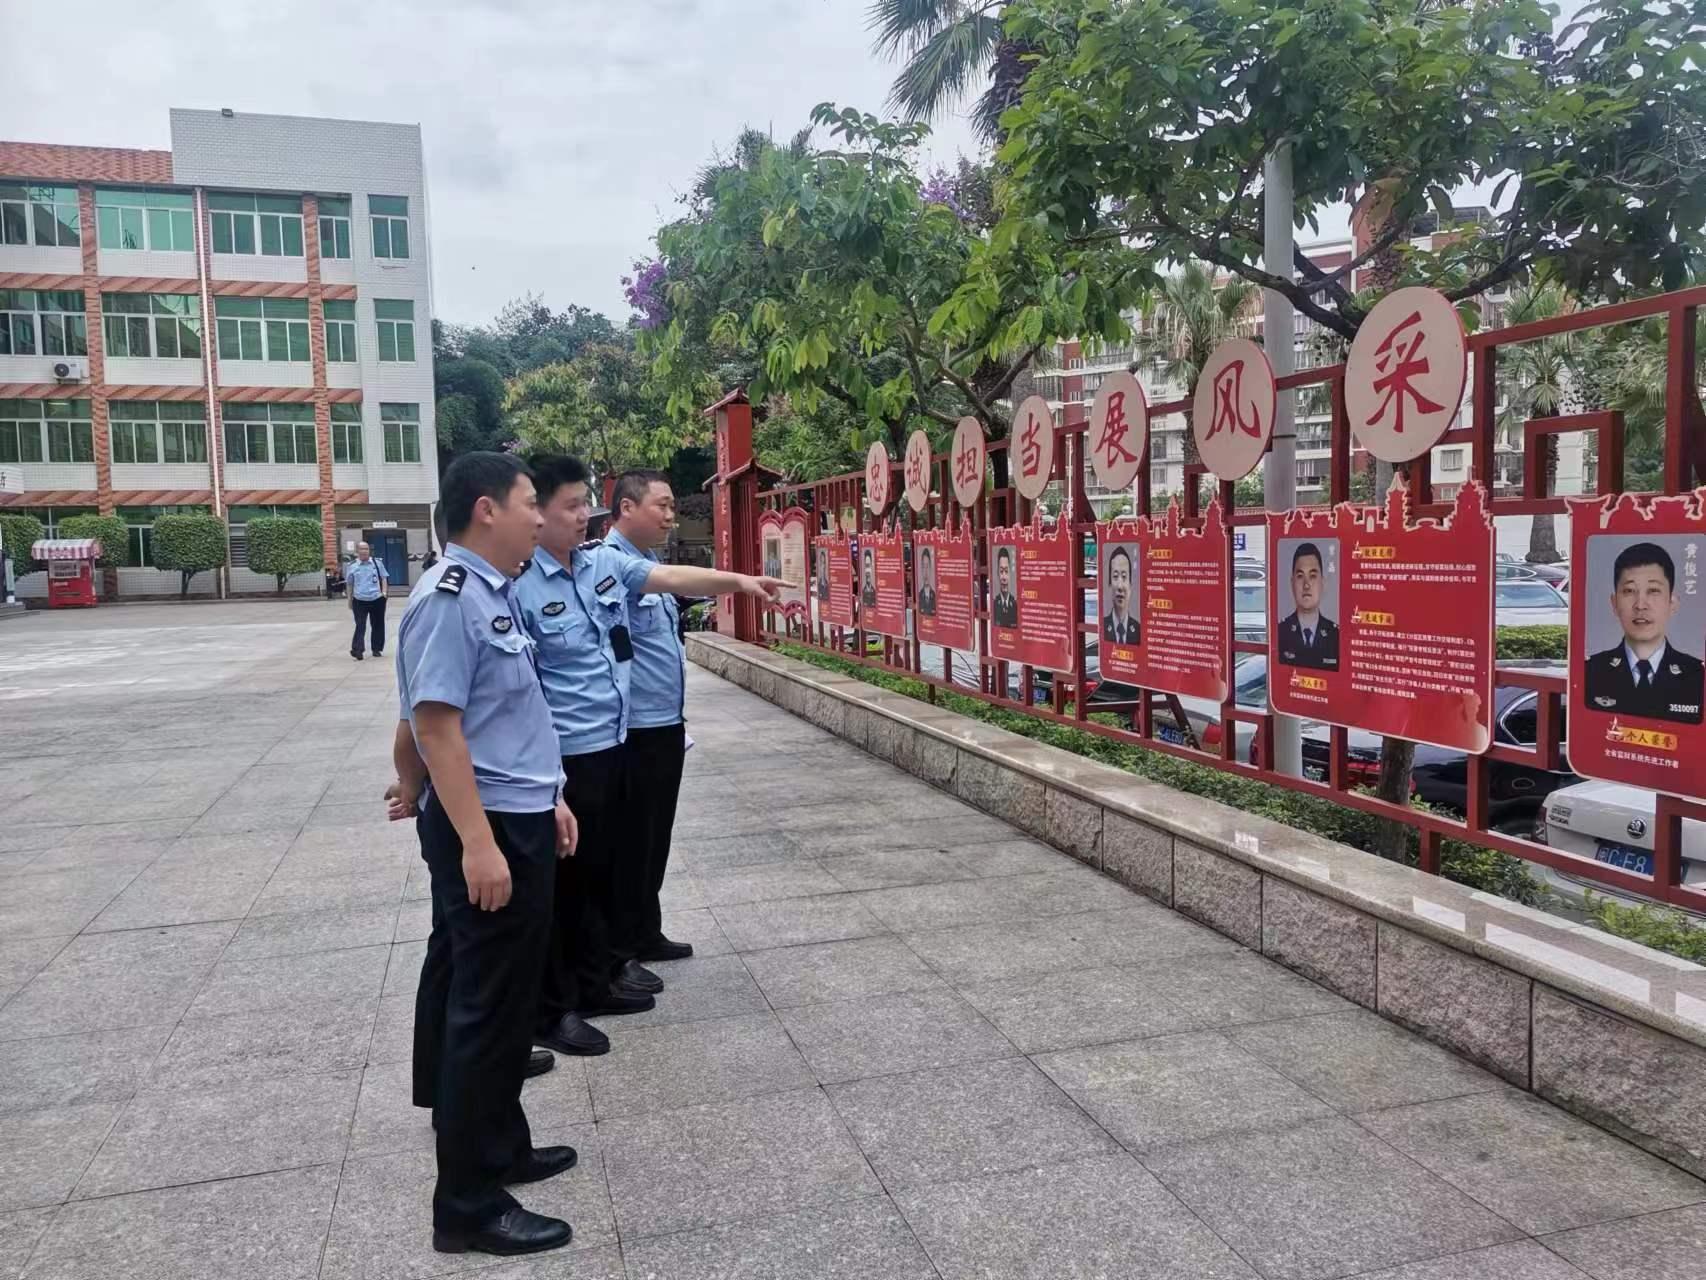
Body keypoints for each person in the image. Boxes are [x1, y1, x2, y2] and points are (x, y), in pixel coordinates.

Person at [516, 456, 787, 1059]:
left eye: (586, 503)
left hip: (613, 744)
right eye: (571, 506)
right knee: (571, 883)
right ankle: (562, 999)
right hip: (567, 756)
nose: (585, 515)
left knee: (604, 866)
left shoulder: (600, 564)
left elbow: (672, 579)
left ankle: (599, 975)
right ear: (533, 512)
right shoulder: (516, 582)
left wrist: (740, 583)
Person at [386, 452, 582, 1259]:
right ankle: (466, 1205)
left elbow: (501, 716)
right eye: (531, 502)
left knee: (506, 1007)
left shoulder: (492, 594)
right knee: (486, 1011)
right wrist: (477, 843)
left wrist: (553, 794)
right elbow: (434, 726)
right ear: (485, 509)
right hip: (489, 828)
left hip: (518, 811)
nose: (541, 517)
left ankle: (502, 1147)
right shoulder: (450, 599)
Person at [606, 469, 699, 970]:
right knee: (633, 838)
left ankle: (646, 929)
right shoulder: (611, 565)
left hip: (665, 723)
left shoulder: (648, 559)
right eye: (661, 505)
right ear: (626, 507)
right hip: (636, 727)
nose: (670, 515)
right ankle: (622, 945)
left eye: (670, 506)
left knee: (656, 833)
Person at [1584, 541, 1704, 723]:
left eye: (1653, 591)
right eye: (1629, 591)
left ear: (1672, 603)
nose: (1640, 605)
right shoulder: (1590, 671)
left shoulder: (1697, 675)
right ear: (1614, 603)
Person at [1277, 541, 1339, 670]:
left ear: (1322, 582)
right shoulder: (1280, 632)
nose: (1306, 585)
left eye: (1312, 576)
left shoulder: (1336, 635)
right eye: (1300, 576)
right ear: (1292, 583)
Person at [347, 542, 389, 660]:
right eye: (362, 549)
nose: (364, 551)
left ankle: (376, 649)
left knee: (378, 624)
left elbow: (384, 577)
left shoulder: (376, 563)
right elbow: (350, 584)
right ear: (357, 551)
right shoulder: (352, 566)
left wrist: (384, 593)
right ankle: (358, 650)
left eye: (366, 549)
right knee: (360, 625)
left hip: (376, 598)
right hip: (359, 600)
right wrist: (349, 599)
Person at [1103, 546, 1139, 644]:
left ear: (1130, 585)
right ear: (1109, 584)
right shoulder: (1102, 626)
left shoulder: (1138, 630)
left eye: (1124, 577)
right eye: (1115, 576)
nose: (1120, 586)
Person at [992, 547, 1019, 627]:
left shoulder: (1015, 605)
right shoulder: (994, 604)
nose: (1004, 577)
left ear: (1010, 573)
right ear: (997, 573)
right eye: (1001, 571)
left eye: (1006, 571)